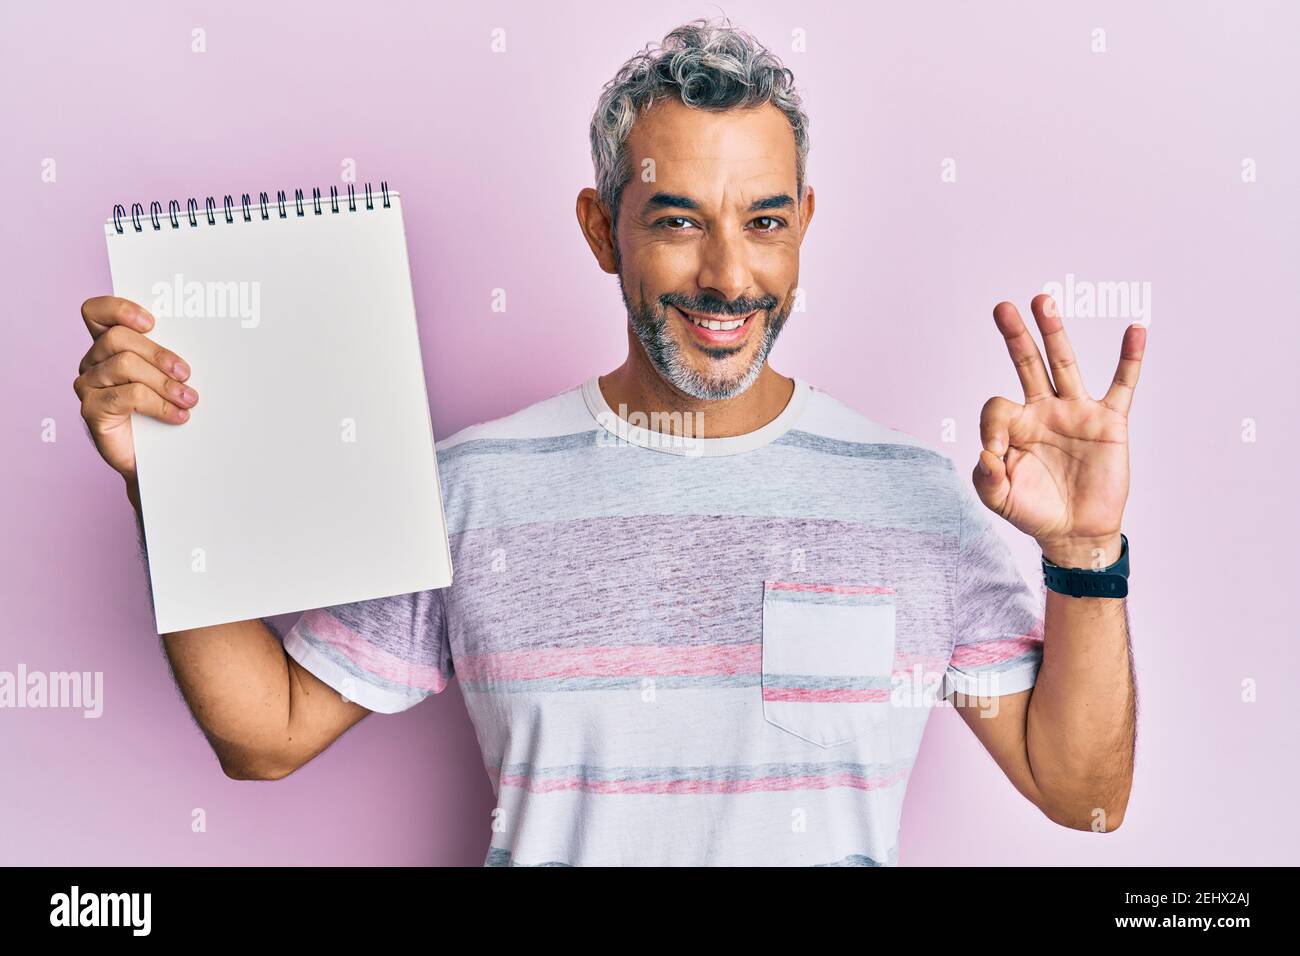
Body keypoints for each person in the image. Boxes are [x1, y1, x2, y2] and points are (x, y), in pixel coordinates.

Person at [73, 17, 1142, 866]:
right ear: (600, 229)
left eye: (764, 221)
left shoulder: (916, 497)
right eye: (677, 220)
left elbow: (1084, 793)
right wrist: (166, 480)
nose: (729, 275)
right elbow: (265, 734)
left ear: (805, 223)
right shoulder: (472, 489)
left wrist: (1086, 553)